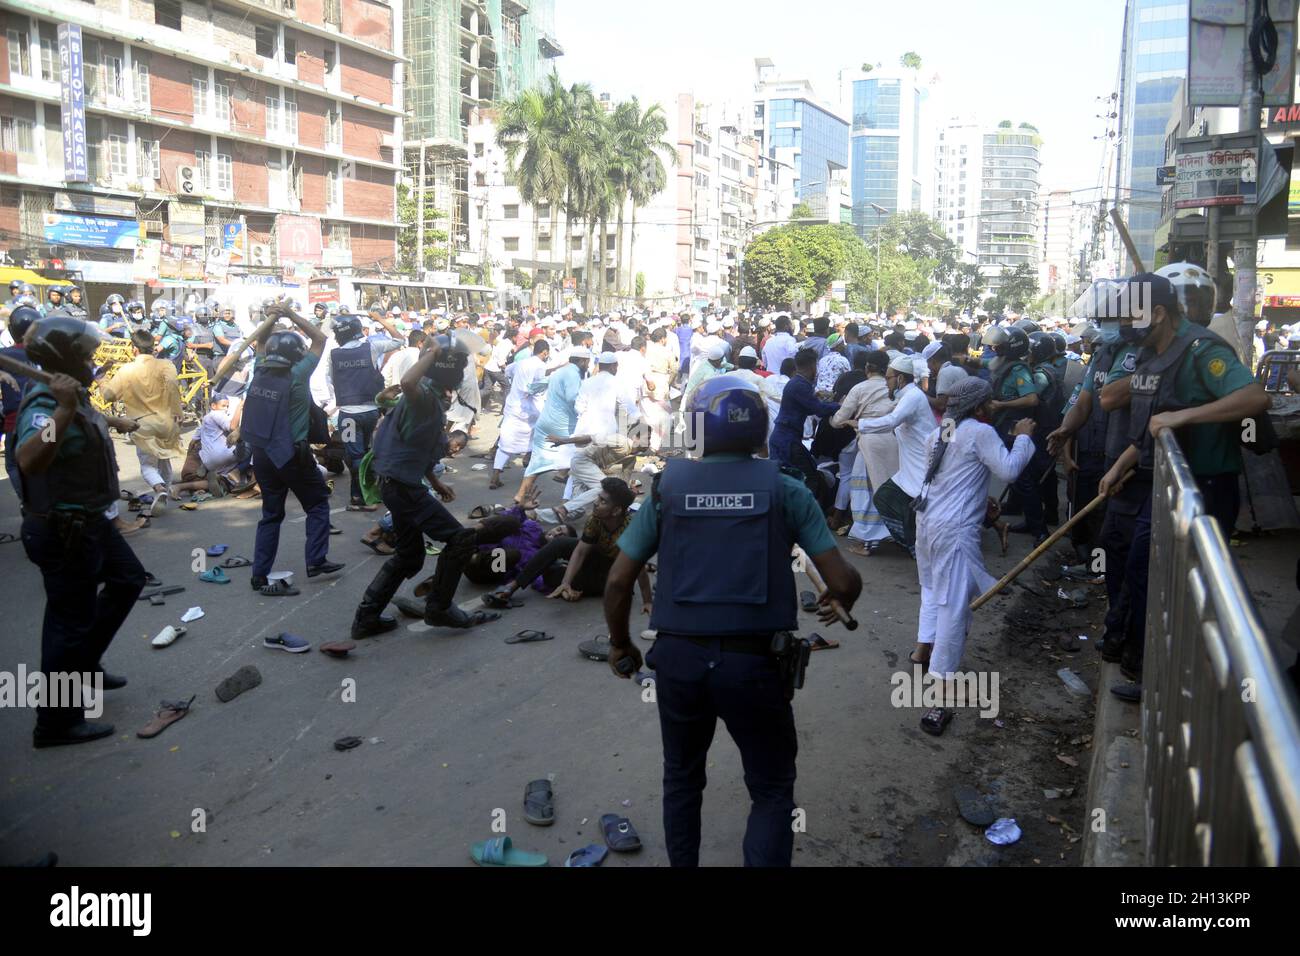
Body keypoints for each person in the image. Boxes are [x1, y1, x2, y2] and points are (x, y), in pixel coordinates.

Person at [602, 375, 862, 867]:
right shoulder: (786, 491)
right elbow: (843, 580)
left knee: (682, 777)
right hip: (756, 668)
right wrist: (839, 595)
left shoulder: (666, 490)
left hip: (678, 663)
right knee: (770, 788)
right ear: (760, 430)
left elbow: (618, 582)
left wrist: (621, 645)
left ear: (696, 430)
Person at [1096, 273, 1268, 699]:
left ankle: (1187, 684)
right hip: (1168, 486)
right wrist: (1121, 465)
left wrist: (1182, 419)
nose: (1125, 328)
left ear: (1158, 313)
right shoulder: (1155, 353)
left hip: (1205, 488)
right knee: (1146, 573)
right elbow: (1154, 422)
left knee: (1190, 589)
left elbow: (1254, 397)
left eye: (1132, 317)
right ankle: (1153, 671)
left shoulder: (1200, 349)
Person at [16, 316, 148, 746]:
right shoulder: (45, 403)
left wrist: (88, 411)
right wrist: (64, 408)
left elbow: (88, 425)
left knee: (127, 579)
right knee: (67, 624)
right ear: (66, 357)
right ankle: (55, 723)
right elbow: (30, 459)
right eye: (87, 355)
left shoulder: (71, 391)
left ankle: (84, 664)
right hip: (62, 528)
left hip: (92, 520)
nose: (93, 361)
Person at [350, 337, 504, 636]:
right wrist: (433, 354)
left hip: (397, 483)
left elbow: (416, 445)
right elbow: (408, 382)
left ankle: (366, 617)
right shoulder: (422, 397)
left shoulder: (429, 399)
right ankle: (440, 608)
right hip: (403, 487)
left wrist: (435, 481)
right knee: (460, 540)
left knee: (409, 555)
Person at [909, 379, 1036, 734]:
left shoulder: (940, 432)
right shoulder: (979, 432)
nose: (994, 407)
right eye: (990, 402)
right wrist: (1024, 435)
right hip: (953, 530)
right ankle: (938, 696)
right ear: (979, 407)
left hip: (928, 523)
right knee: (954, 606)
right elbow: (1009, 470)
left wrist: (981, 500)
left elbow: (949, 480)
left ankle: (922, 651)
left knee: (933, 592)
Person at [238, 305, 343, 595]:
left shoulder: (260, 369)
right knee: (318, 504)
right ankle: (316, 560)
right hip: (291, 454)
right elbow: (319, 339)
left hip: (261, 453)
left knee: (271, 515)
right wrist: (291, 315)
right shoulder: (298, 373)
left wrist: (271, 317)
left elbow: (259, 342)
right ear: (296, 354)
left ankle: (259, 575)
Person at [483, 478, 651, 610]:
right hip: (598, 560)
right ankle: (511, 587)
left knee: (551, 575)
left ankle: (576, 586)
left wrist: (647, 602)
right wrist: (566, 582)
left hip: (615, 577)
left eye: (603, 501)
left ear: (616, 511)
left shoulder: (631, 530)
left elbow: (640, 572)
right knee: (560, 547)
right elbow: (580, 551)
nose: (595, 503)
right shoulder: (595, 519)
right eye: (598, 498)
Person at [855, 354, 937, 556]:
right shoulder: (907, 396)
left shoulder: (913, 396)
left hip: (921, 463)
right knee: (886, 497)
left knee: (921, 506)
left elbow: (891, 421)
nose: (886, 383)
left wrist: (861, 424)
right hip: (911, 465)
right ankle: (914, 543)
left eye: (888, 378)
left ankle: (918, 544)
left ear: (900, 379)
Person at [99, 329, 188, 517]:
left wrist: (102, 379)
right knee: (163, 459)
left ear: (133, 349)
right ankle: (167, 488)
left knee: (147, 465)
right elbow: (173, 386)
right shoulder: (166, 364)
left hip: (141, 424)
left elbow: (108, 396)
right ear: (153, 346)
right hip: (166, 422)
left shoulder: (126, 370)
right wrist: (178, 411)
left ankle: (159, 489)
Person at [326, 312, 401, 511]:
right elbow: (399, 339)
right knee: (366, 453)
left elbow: (332, 382)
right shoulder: (372, 347)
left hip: (349, 416)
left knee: (355, 457)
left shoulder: (334, 355)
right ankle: (370, 493)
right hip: (371, 413)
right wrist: (380, 319)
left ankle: (359, 497)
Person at [833, 350, 897, 555]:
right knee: (887, 489)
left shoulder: (860, 388)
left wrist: (835, 420)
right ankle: (891, 534)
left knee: (862, 493)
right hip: (892, 442)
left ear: (868, 367)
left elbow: (839, 418)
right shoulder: (893, 388)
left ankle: (865, 542)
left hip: (868, 443)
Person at [514, 347, 590, 508]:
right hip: (562, 426)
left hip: (545, 422)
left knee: (537, 462)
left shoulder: (560, 371)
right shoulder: (573, 374)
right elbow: (572, 398)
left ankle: (520, 495)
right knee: (577, 460)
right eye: (587, 363)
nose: (588, 366)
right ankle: (565, 501)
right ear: (583, 361)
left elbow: (535, 386)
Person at [768, 348, 840, 510]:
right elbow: (819, 410)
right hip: (787, 440)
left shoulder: (797, 383)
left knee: (793, 478)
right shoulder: (800, 385)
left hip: (786, 438)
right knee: (809, 478)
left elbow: (809, 407)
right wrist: (840, 405)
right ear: (813, 366)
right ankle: (803, 517)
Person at [547, 423, 650, 523]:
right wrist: (563, 441)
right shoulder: (620, 441)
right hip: (583, 461)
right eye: (646, 438)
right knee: (605, 488)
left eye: (650, 439)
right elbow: (591, 438)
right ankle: (564, 508)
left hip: (591, 469)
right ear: (635, 438)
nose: (648, 442)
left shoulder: (631, 459)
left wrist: (629, 493)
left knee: (578, 511)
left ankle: (535, 514)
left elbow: (623, 481)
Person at [493, 338, 550, 490]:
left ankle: (495, 476)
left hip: (513, 405)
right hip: (528, 408)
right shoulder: (540, 366)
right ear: (544, 352)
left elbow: (507, 370)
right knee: (535, 439)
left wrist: (515, 383)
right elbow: (534, 388)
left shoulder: (522, 362)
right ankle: (527, 468)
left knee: (505, 442)